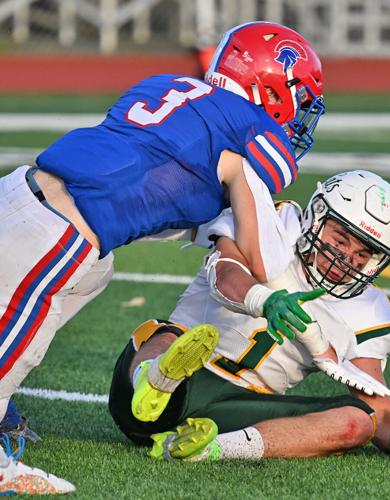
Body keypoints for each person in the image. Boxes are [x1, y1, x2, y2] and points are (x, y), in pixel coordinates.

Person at [0, 21, 326, 494]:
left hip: (19, 190)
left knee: (95, 272)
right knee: (19, 339)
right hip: (59, 229)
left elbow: (161, 181)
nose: (299, 120)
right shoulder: (252, 130)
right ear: (274, 90)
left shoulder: (168, 86)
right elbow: (255, 253)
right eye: (302, 103)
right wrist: (270, 290)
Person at [108, 170, 390, 461]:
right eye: (341, 240)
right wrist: (265, 301)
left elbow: (377, 406)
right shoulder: (273, 223)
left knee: (357, 420)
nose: (346, 259)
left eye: (362, 253)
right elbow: (226, 274)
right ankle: (154, 382)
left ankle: (212, 449)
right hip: (174, 376)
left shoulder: (368, 308)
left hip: (237, 407)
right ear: (315, 217)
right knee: (166, 336)